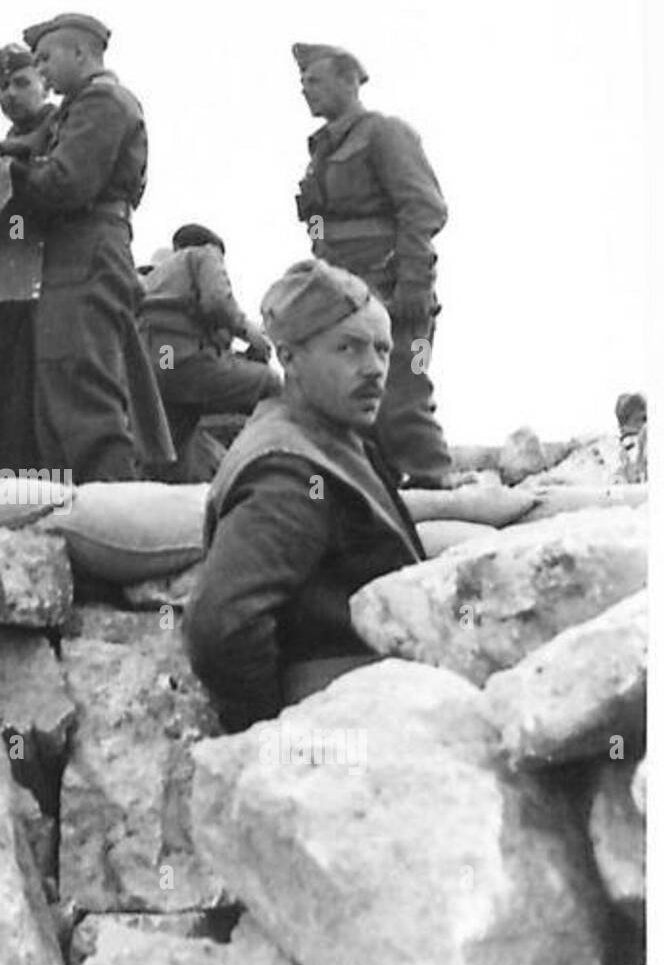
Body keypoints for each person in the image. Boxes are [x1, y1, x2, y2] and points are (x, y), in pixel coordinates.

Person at [184, 259, 426, 733]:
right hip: (344, 729)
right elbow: (222, 627)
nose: (374, 368)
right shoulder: (291, 471)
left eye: (381, 349)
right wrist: (273, 732)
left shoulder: (328, 440)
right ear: (290, 358)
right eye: (349, 348)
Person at [3, 12, 168, 483]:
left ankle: (111, 518)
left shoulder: (103, 103)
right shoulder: (80, 106)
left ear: (80, 53)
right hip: (74, 253)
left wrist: (5, 175)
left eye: (46, 58)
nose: (43, 69)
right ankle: (83, 520)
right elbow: (35, 147)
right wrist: (4, 155)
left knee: (82, 386)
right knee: (60, 389)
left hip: (87, 251)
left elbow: (65, 184)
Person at [293, 42, 453, 489]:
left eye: (316, 80)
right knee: (354, 402)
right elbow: (319, 225)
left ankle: (431, 481)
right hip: (345, 300)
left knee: (406, 392)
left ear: (349, 81)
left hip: (397, 294)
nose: (306, 90)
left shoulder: (383, 134)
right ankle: (378, 498)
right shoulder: (321, 153)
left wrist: (414, 286)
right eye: (303, 83)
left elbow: (423, 209)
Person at [139, 223, 280, 480]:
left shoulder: (156, 276)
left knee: (172, 447)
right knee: (270, 384)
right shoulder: (205, 254)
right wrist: (251, 335)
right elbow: (217, 302)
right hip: (184, 359)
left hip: (156, 367)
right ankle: (272, 476)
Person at [0, 43, 55, 473]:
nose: (11, 94)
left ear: (43, 82)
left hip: (54, 277)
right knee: (8, 393)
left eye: (22, 82)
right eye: (2, 86)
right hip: (12, 282)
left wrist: (0, 156)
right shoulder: (1, 145)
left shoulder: (57, 126)